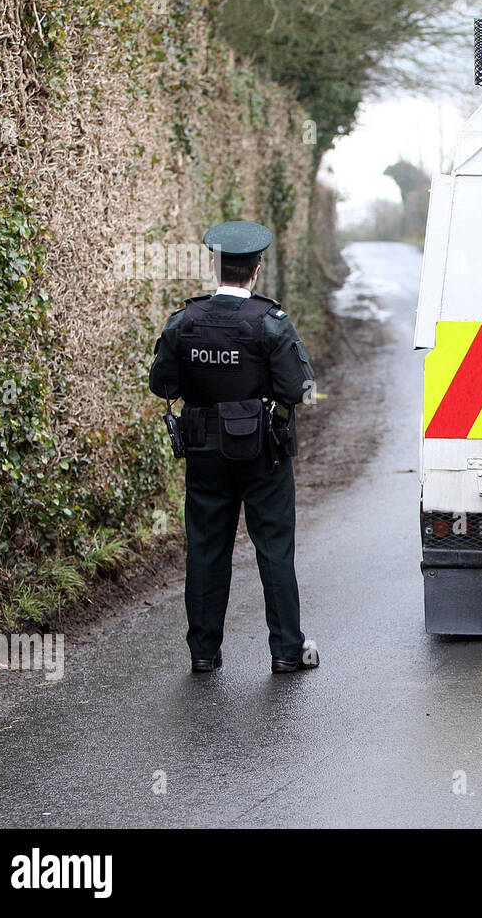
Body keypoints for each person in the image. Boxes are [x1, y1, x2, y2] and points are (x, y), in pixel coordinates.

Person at [149, 220, 320, 675]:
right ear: (256, 270)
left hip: (204, 451)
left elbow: (160, 383)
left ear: (215, 265)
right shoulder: (271, 322)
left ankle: (203, 653)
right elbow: (302, 388)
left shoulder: (184, 321)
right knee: (274, 550)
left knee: (205, 550)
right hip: (263, 454)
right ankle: (287, 651)